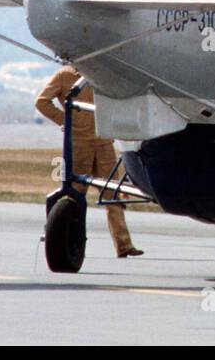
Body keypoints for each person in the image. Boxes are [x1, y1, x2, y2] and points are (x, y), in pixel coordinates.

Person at [36, 65, 143, 258]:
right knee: (75, 195)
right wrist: (65, 120)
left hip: (103, 142)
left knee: (113, 195)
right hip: (79, 144)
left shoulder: (102, 70)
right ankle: (70, 242)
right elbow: (42, 101)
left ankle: (124, 245)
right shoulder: (64, 76)